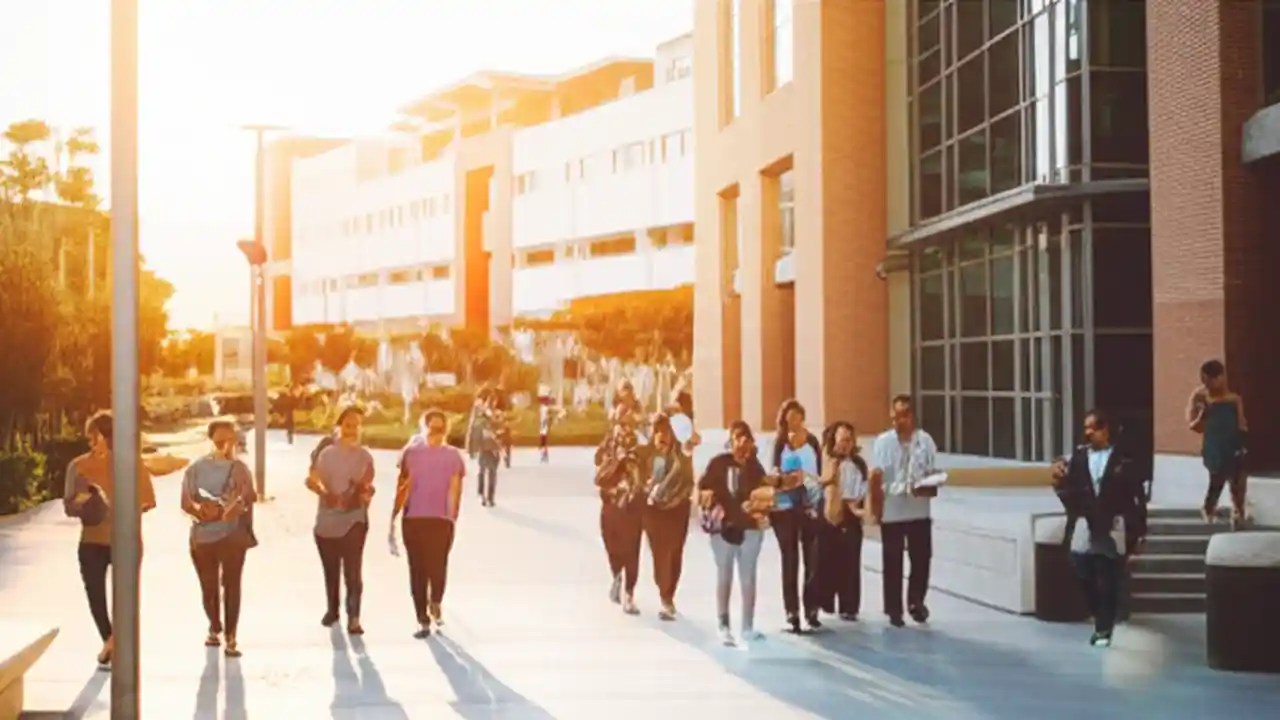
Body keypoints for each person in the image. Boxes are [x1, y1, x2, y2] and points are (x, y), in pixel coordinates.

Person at [64, 410, 158, 668]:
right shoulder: (78, 466)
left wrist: (117, 505)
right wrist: (82, 501)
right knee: (95, 595)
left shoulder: (131, 463)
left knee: (126, 597)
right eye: (89, 436)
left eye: (94, 435)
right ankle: (109, 639)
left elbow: (149, 500)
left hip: (125, 541)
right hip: (91, 542)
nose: (91, 441)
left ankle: (115, 643)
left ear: (106, 436)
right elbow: (68, 506)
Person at [1051, 409, 1148, 648]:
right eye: (1086, 428)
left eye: (1092, 428)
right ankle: (1098, 613)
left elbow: (1136, 495)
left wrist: (1139, 529)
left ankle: (1104, 627)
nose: (1087, 432)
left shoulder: (1123, 458)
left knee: (1108, 574)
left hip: (1113, 522)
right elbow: (1068, 486)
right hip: (1085, 520)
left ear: (1105, 430)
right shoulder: (1079, 456)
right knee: (1081, 569)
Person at [181, 419, 257, 657]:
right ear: (211, 441)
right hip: (203, 537)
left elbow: (249, 496)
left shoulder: (240, 469)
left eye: (230, 440)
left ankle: (231, 636)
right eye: (220, 441)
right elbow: (185, 502)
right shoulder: (195, 470)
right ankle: (215, 626)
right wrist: (201, 510)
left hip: (233, 536)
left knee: (232, 585)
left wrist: (238, 506)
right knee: (209, 587)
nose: (226, 446)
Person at [391, 408, 466, 638]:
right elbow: (403, 485)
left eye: (441, 429)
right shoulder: (411, 453)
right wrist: (393, 516)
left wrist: (452, 517)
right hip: (414, 518)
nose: (436, 433)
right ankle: (421, 618)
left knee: (438, 566)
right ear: (424, 428)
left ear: (446, 430)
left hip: (440, 519)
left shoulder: (453, 456)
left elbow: (456, 488)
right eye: (432, 428)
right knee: (417, 569)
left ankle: (436, 601)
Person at [697, 421, 771, 646]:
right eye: (737, 439)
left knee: (748, 578)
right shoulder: (718, 463)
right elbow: (701, 489)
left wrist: (764, 514)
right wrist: (706, 499)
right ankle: (723, 624)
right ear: (730, 441)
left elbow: (764, 495)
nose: (741, 444)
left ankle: (747, 627)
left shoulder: (755, 468)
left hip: (750, 529)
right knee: (725, 575)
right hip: (723, 529)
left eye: (746, 439)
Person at [868, 395, 939, 628]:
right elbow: (876, 477)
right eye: (895, 416)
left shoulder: (925, 441)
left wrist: (928, 485)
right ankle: (894, 609)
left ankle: (916, 602)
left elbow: (932, 472)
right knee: (892, 561)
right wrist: (876, 511)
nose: (899, 421)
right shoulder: (883, 442)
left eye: (904, 415)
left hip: (919, 510)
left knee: (921, 559)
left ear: (912, 416)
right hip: (892, 510)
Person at [305, 405, 375, 635]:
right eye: (347, 425)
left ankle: (354, 617)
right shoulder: (327, 454)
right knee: (331, 569)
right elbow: (313, 480)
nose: (352, 430)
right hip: (327, 521)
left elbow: (367, 488)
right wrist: (327, 495)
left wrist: (365, 495)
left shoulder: (365, 457)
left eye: (356, 426)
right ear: (340, 426)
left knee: (353, 571)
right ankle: (332, 609)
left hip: (355, 520)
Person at [767, 399, 824, 633]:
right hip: (785, 506)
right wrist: (784, 478)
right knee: (789, 558)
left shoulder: (812, 442)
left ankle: (812, 607)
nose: (794, 422)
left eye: (797, 417)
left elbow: (818, 472)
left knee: (813, 557)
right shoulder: (780, 443)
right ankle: (792, 611)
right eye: (789, 419)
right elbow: (773, 472)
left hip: (809, 503)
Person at [642, 414, 695, 620]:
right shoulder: (647, 455)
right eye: (658, 431)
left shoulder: (681, 456)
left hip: (677, 511)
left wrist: (678, 497)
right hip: (653, 512)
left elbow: (689, 481)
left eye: (666, 431)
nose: (662, 436)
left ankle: (669, 594)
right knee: (659, 554)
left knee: (674, 553)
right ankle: (665, 595)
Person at [1187, 359, 1250, 529]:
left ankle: (1238, 512)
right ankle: (1209, 508)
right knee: (1217, 479)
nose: (1210, 384)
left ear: (1222, 377)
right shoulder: (1199, 396)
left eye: (1213, 379)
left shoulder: (1233, 398)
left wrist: (1243, 442)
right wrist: (1202, 414)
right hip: (1214, 446)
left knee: (1238, 481)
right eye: (1206, 380)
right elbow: (1193, 426)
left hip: (1233, 444)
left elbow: (1241, 422)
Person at [595, 407, 646, 614]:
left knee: (632, 551)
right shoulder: (608, 446)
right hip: (609, 505)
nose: (624, 429)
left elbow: (641, 476)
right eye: (621, 424)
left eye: (628, 424)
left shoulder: (639, 448)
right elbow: (599, 477)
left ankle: (629, 593)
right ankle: (616, 575)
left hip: (632, 508)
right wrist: (616, 458)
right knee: (612, 547)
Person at [820, 421, 869, 622]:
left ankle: (849, 605)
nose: (845, 445)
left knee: (851, 561)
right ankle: (827, 601)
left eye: (849, 440)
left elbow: (863, 488)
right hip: (830, 515)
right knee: (829, 561)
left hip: (852, 515)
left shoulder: (859, 464)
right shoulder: (828, 461)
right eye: (841, 440)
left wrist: (859, 507)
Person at [474, 398, 503, 507]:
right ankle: (486, 496)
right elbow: (475, 434)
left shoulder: (496, 418)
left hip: (491, 449)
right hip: (487, 449)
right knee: (487, 472)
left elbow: (501, 432)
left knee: (489, 473)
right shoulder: (481, 420)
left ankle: (487, 496)